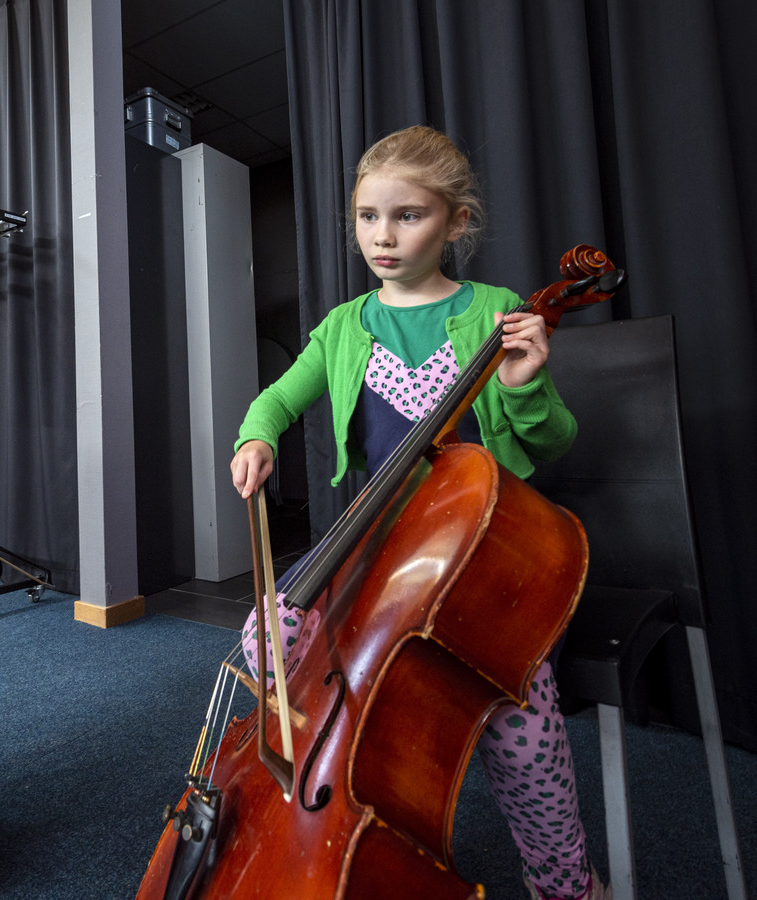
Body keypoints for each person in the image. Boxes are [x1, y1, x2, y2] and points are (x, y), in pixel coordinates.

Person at [228, 126, 609, 900]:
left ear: (455, 223)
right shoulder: (342, 326)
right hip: (373, 541)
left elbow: (556, 440)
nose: (383, 236)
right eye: (368, 217)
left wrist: (524, 387)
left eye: (407, 216)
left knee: (521, 724)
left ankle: (564, 883)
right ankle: (350, 812)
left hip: (482, 553)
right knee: (267, 643)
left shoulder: (498, 312)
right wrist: (256, 436)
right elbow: (279, 397)